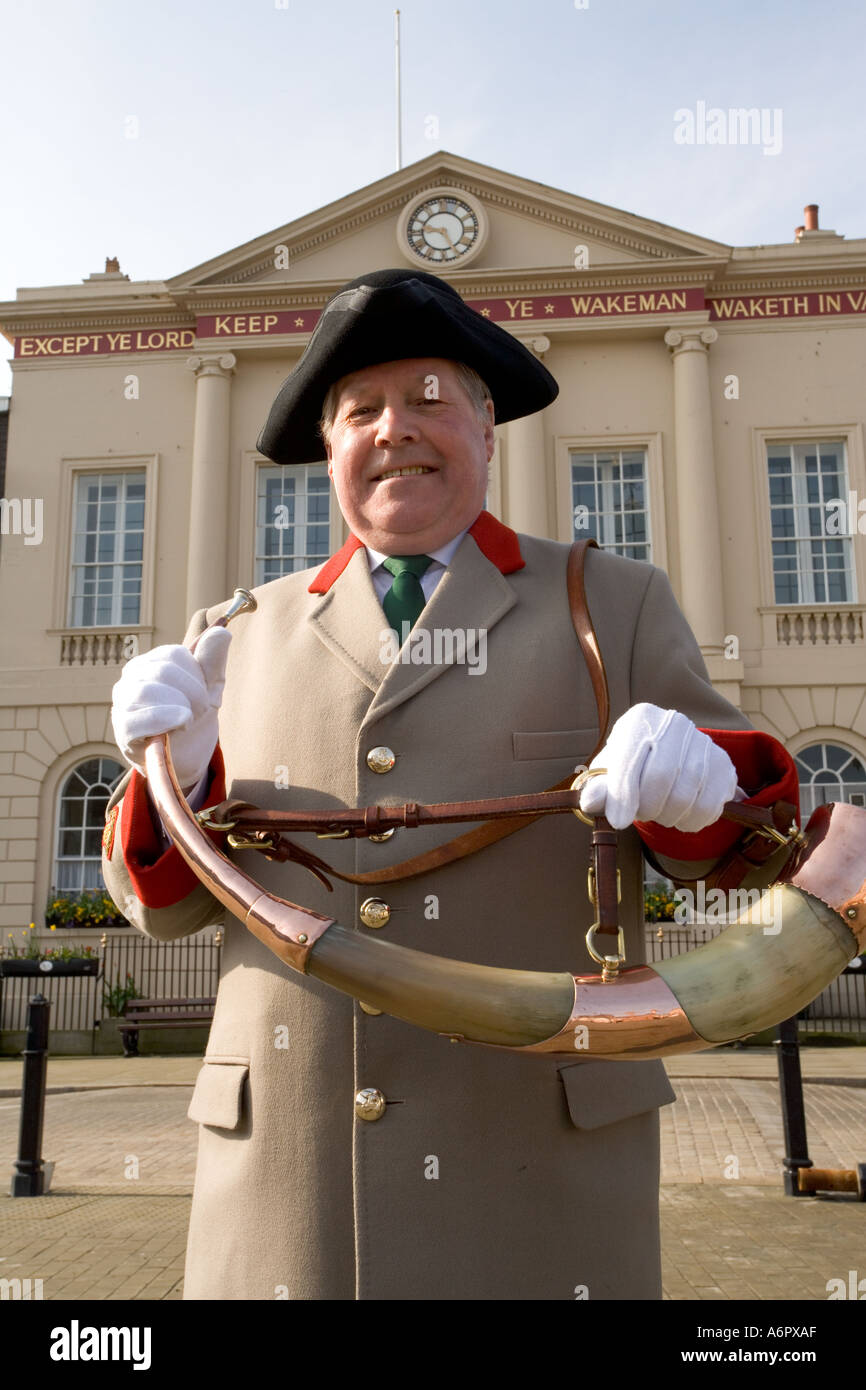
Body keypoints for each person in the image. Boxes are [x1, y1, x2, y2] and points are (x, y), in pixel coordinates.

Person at [102, 268, 799, 1301]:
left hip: (536, 1186)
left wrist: (708, 779)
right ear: (328, 451)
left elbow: (750, 843)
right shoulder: (231, 636)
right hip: (288, 1193)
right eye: (360, 411)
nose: (396, 429)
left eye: (430, 397)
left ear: (486, 429)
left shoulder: (610, 601)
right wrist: (174, 774)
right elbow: (160, 909)